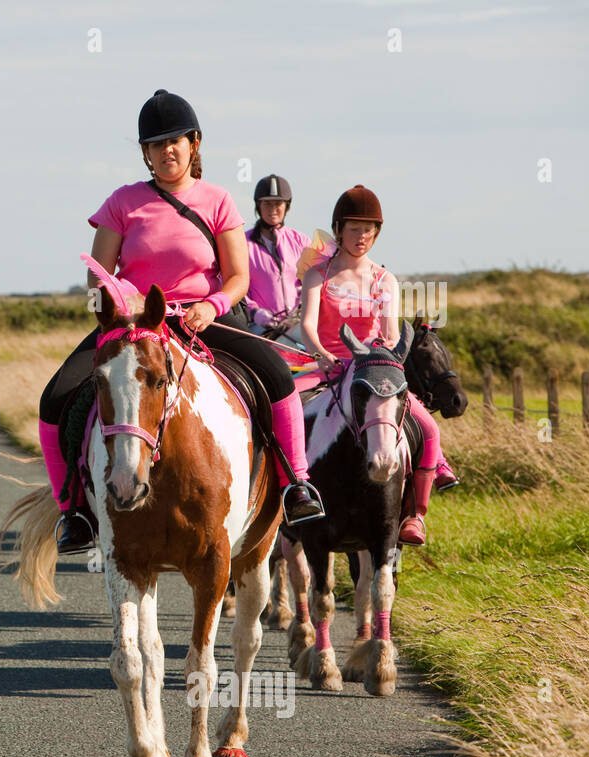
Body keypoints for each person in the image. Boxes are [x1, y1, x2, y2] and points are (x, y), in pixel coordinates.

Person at [39, 89, 326, 555]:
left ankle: (296, 483)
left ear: (194, 143)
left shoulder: (218, 201)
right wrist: (120, 300)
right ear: (146, 154)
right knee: (55, 399)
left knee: (277, 379)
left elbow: (238, 277)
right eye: (156, 144)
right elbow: (97, 280)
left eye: (175, 140)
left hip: (202, 318)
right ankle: (71, 509)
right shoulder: (122, 202)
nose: (167, 150)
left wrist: (212, 305)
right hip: (134, 325)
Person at [297, 184, 456, 546]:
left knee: (429, 429)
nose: (362, 236)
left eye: (369, 229)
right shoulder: (317, 275)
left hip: (371, 372)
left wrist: (383, 359)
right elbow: (307, 324)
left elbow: (386, 332)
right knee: (282, 412)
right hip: (327, 367)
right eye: (355, 228)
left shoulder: (385, 280)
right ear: (338, 229)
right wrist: (322, 353)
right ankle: (283, 494)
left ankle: (415, 514)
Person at [245, 174, 311, 336]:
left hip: (296, 323)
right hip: (259, 326)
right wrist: (254, 312)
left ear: (286, 206)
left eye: (278, 203)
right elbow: (235, 283)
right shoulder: (243, 243)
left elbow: (312, 281)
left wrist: (302, 308)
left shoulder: (301, 241)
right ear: (258, 206)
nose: (272, 209)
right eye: (267, 203)